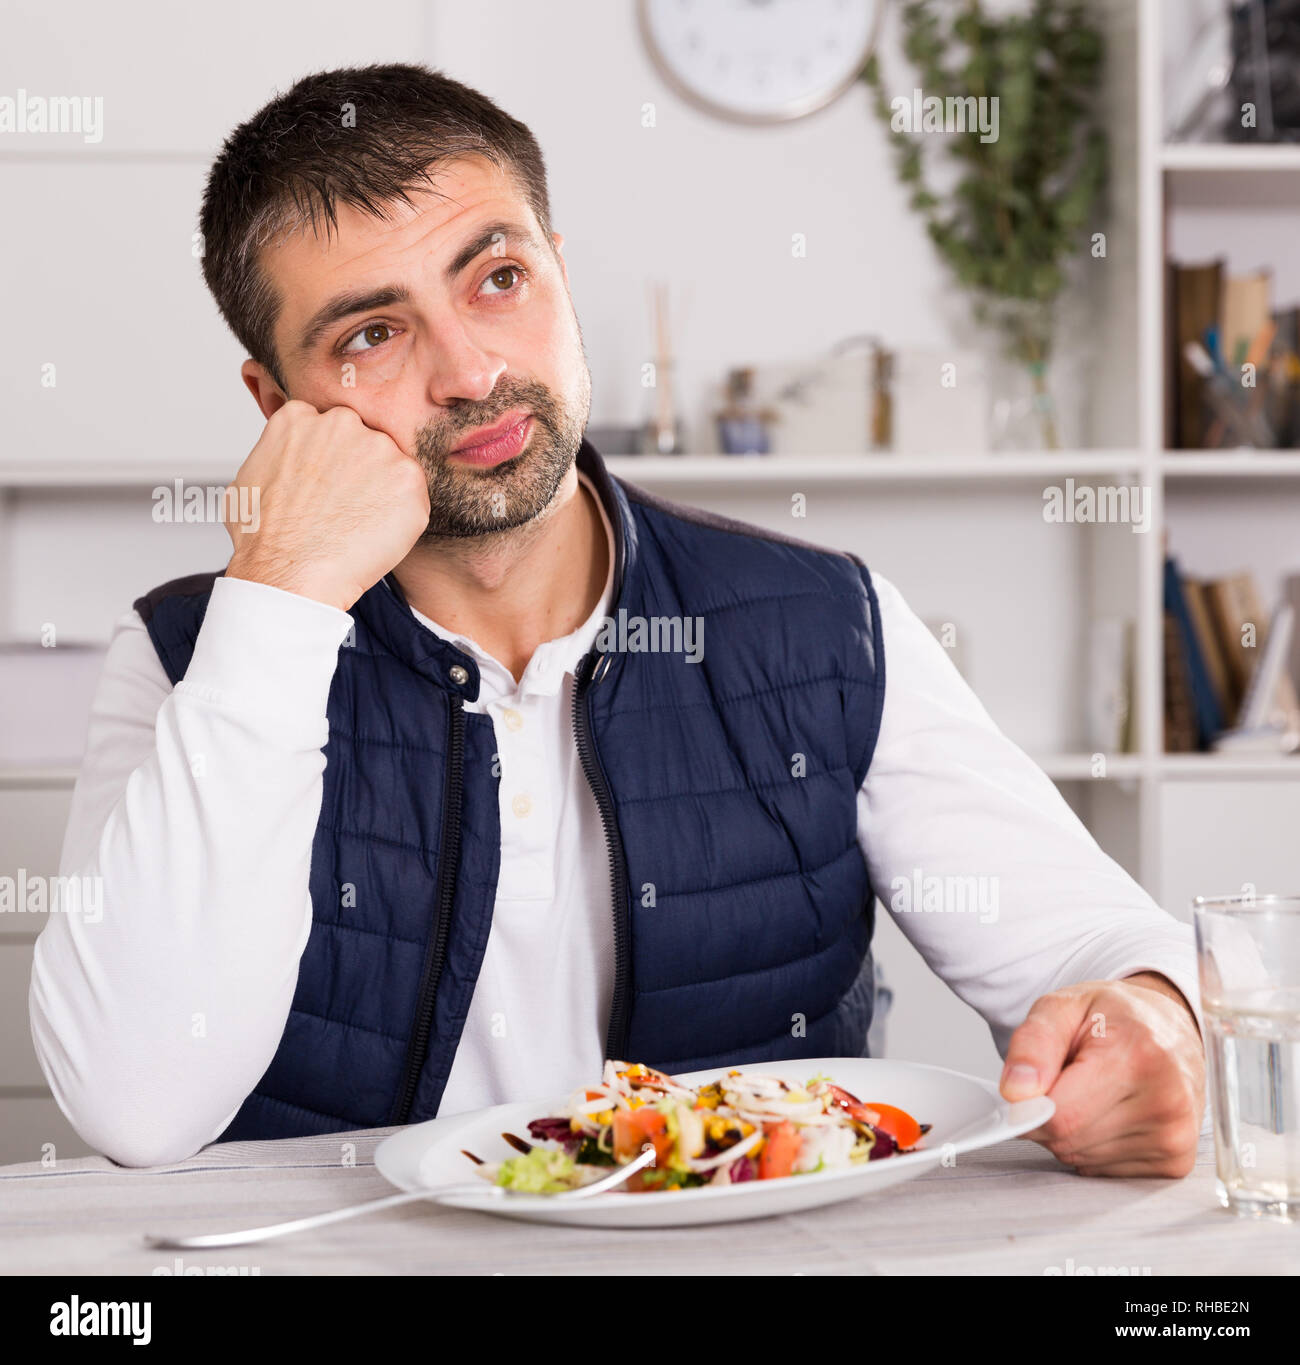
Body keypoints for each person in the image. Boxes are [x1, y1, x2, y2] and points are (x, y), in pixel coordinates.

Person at [30, 64, 1204, 1173]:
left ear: (560, 274)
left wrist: (1153, 1023)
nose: (472, 371)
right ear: (277, 404)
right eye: (372, 334)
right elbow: (140, 1109)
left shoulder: (821, 624)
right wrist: (278, 595)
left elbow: (1100, 950)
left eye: (498, 278)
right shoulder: (195, 655)